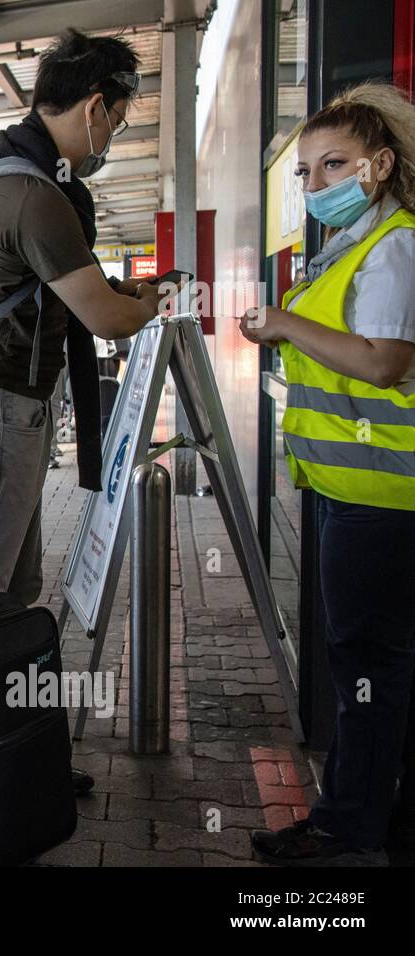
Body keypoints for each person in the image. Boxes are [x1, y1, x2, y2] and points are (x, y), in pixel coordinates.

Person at [242, 83, 415, 867]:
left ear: (380, 166)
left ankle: (347, 829)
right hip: (360, 495)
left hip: (382, 502)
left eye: (334, 165)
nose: (316, 186)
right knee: (377, 669)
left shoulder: (396, 247)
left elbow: (383, 363)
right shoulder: (359, 247)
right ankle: (374, 818)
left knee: (366, 672)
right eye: (307, 172)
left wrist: (284, 324)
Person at [0, 28, 159, 605]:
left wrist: (115, 292)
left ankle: (0, 689)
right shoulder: (33, 194)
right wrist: (143, 306)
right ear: (93, 107)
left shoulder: (14, 173)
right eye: (115, 120)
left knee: (11, 584)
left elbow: (54, 287)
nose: (110, 134)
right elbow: (107, 321)